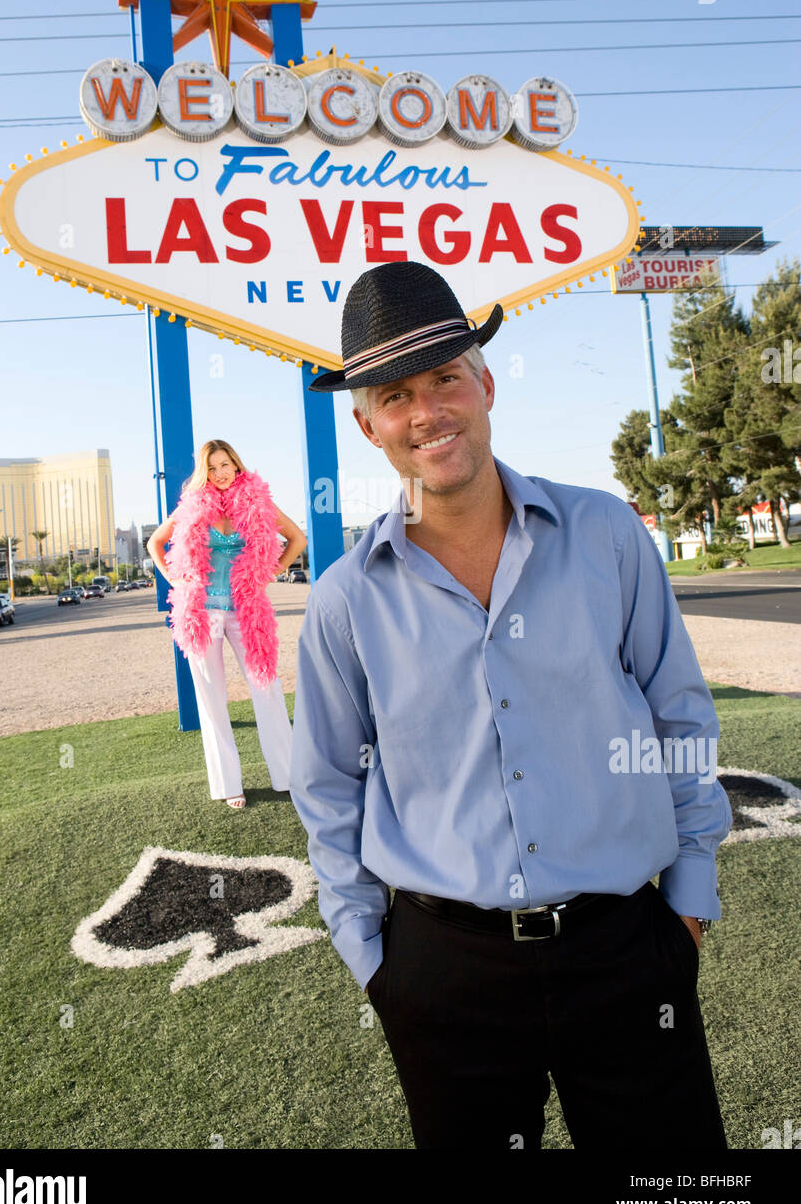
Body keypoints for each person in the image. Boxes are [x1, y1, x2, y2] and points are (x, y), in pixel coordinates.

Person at [288, 261, 733, 1150]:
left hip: (626, 949)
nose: (427, 412)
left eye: (445, 377)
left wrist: (686, 899)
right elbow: (329, 788)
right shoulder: (344, 600)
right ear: (366, 421)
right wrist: (373, 962)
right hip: (442, 973)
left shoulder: (607, 534)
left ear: (485, 382)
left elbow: (678, 716)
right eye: (395, 394)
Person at [147, 439, 306, 809]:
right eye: (212, 468)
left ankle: (288, 775)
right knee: (211, 700)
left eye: (225, 465)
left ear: (236, 465)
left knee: (267, 687)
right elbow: (156, 543)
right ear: (204, 472)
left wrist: (269, 571)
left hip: (245, 611)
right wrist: (177, 581)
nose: (220, 474)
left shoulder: (256, 501)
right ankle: (228, 783)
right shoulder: (192, 507)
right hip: (201, 612)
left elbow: (297, 538)